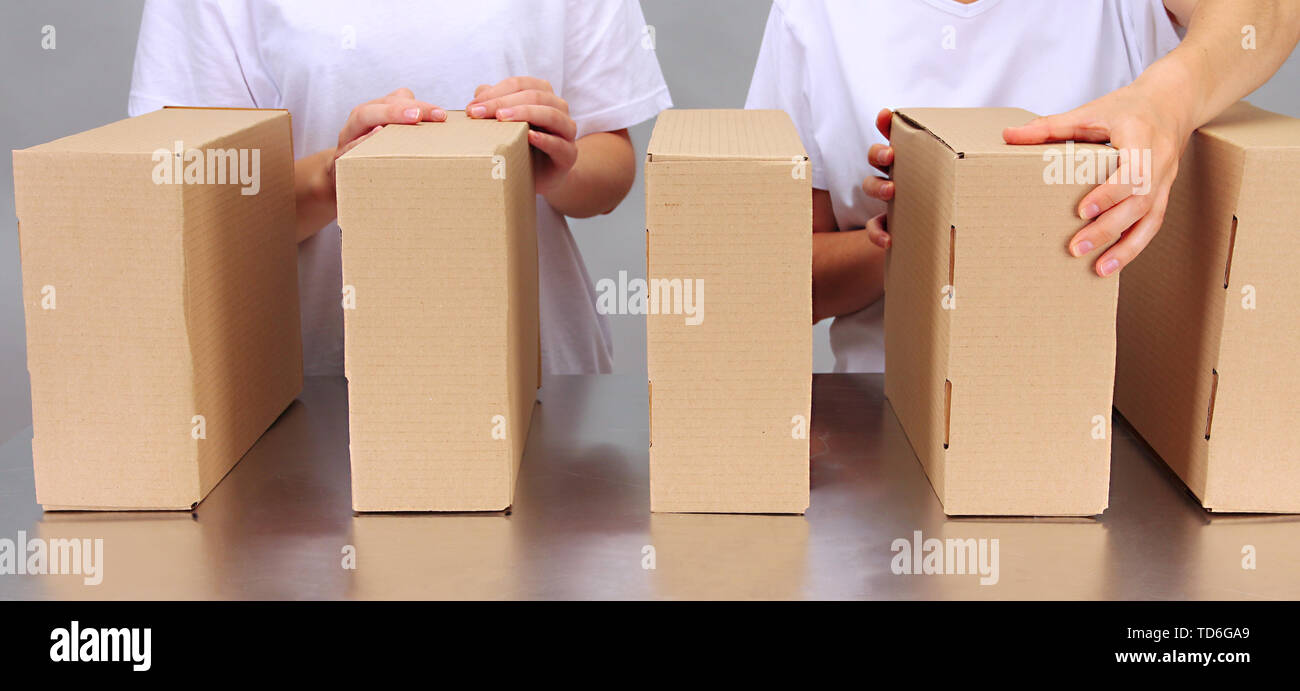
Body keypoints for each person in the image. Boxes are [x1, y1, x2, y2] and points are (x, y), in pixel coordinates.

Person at [746, 0, 1300, 373]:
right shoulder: (817, 14)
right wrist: (905, 242)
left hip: (1122, 425)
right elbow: (775, 283)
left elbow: (1272, 13)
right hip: (889, 425)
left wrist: (1165, 101)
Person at [128, 0, 672, 376]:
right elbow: (197, 204)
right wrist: (333, 180)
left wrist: (558, 168)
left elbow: (611, 167)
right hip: (313, 388)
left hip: (536, 373)